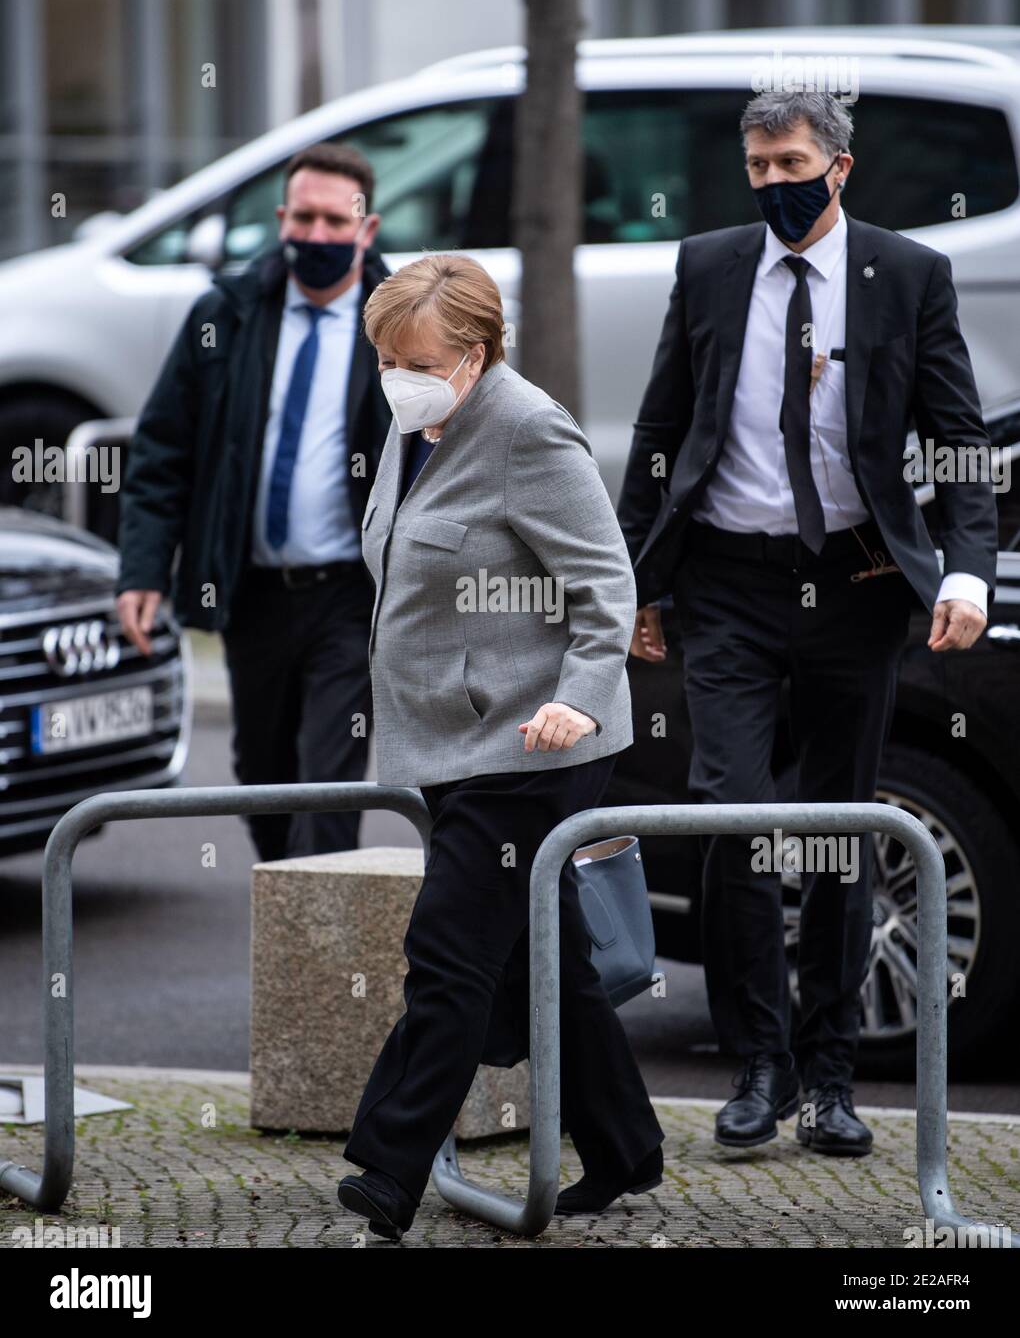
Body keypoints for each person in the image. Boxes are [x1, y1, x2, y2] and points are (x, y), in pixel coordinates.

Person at [616, 90, 997, 1158]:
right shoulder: (708, 267)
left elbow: (958, 439)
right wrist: (633, 583)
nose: (774, 182)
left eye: (792, 162)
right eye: (757, 166)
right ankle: (759, 1061)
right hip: (730, 584)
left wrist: (966, 575)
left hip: (858, 582)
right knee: (729, 816)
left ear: (841, 166)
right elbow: (659, 430)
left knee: (838, 827)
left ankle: (832, 1076)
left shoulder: (908, 276)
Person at [335, 253, 665, 1240]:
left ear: (477, 355)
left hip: (530, 745)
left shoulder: (525, 428)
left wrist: (579, 699)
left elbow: (607, 585)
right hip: (452, 742)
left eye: (420, 359)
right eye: (387, 358)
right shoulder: (416, 426)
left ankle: (386, 1168)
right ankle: (625, 1147)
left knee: (448, 951)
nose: (399, 375)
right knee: (539, 964)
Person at [116, 143, 392, 861]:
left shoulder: (400, 324)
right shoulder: (228, 315)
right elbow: (161, 450)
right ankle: (292, 930)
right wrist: (144, 571)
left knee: (328, 787)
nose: (319, 235)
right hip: (253, 595)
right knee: (259, 777)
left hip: (350, 596)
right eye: (304, 217)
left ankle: (322, 961)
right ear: (281, 219)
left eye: (337, 220)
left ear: (368, 229)